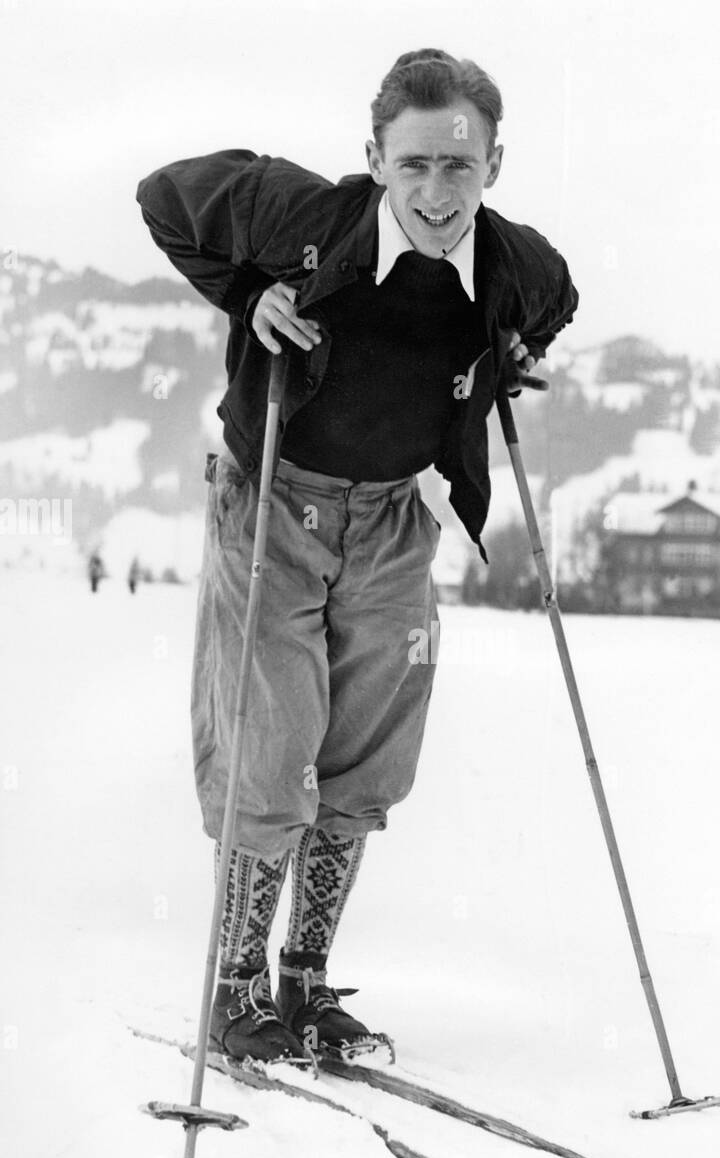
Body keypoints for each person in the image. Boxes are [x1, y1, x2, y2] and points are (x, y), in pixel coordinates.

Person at [136, 47, 578, 1064]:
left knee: (366, 754)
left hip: (391, 524)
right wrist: (245, 294)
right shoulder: (293, 215)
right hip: (272, 504)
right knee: (270, 738)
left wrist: (504, 358)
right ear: (373, 155)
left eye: (458, 167)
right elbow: (164, 199)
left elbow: (553, 306)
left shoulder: (514, 264)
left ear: (493, 165)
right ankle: (237, 988)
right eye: (413, 163)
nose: (434, 192)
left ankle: (304, 984)